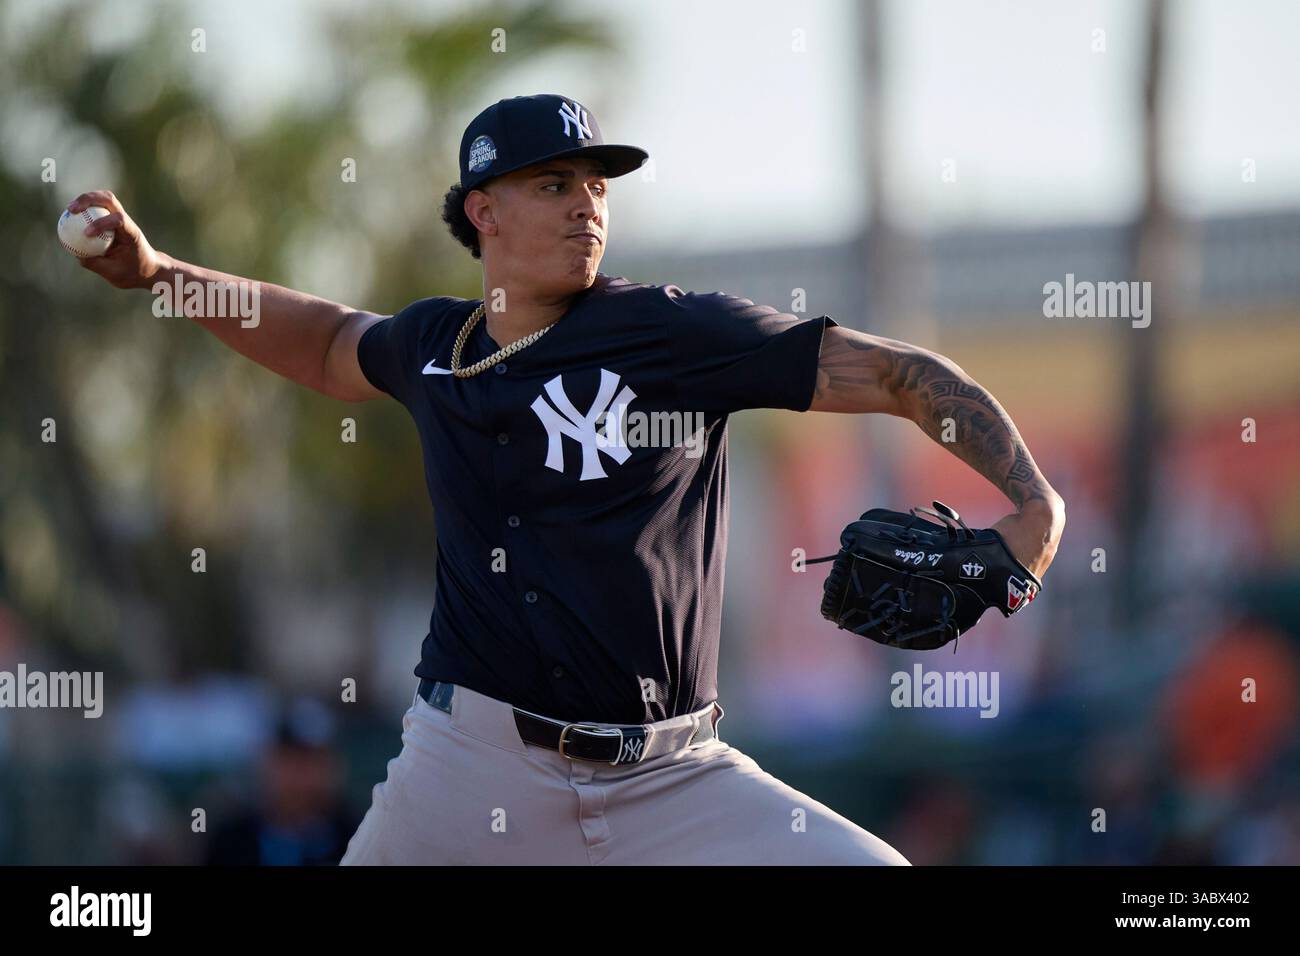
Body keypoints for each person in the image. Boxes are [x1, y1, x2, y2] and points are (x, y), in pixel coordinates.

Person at [70, 93, 1065, 865]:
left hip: (672, 775)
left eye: (596, 184)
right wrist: (162, 274)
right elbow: (327, 340)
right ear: (482, 210)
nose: (585, 201)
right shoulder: (435, 347)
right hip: (470, 764)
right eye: (553, 184)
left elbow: (898, 372)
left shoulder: (670, 333)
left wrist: (1035, 503)